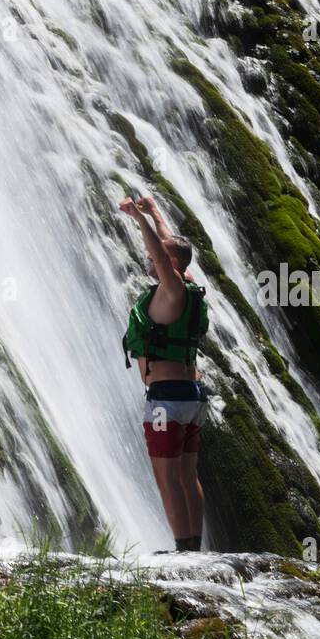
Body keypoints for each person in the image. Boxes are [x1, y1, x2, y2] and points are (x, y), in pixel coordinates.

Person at [118, 195, 209, 552]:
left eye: (157, 256)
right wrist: (154, 211)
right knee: (188, 476)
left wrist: (138, 220)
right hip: (192, 397)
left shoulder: (171, 289)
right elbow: (171, 246)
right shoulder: (187, 286)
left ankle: (182, 551)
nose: (149, 258)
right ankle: (193, 547)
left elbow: (160, 251)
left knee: (167, 478)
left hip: (166, 401)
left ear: (169, 263)